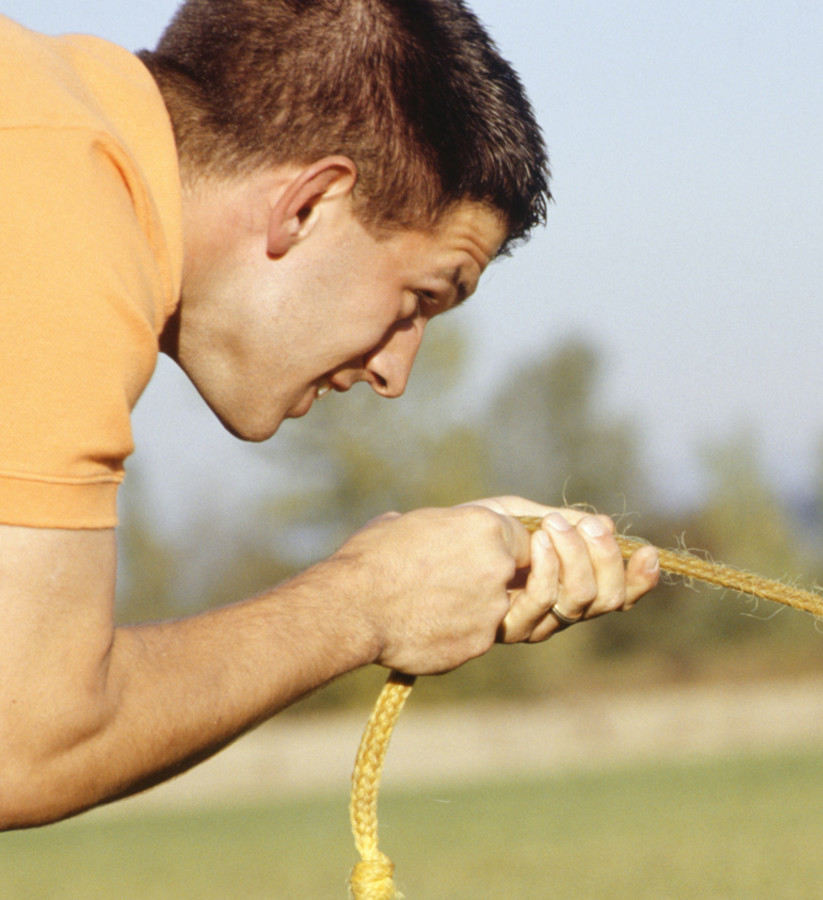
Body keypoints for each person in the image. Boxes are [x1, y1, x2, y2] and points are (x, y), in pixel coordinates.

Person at [0, 0, 661, 829]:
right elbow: (25, 739)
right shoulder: (59, 205)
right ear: (309, 205)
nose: (395, 373)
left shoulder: (43, 129)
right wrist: (369, 603)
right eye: (420, 298)